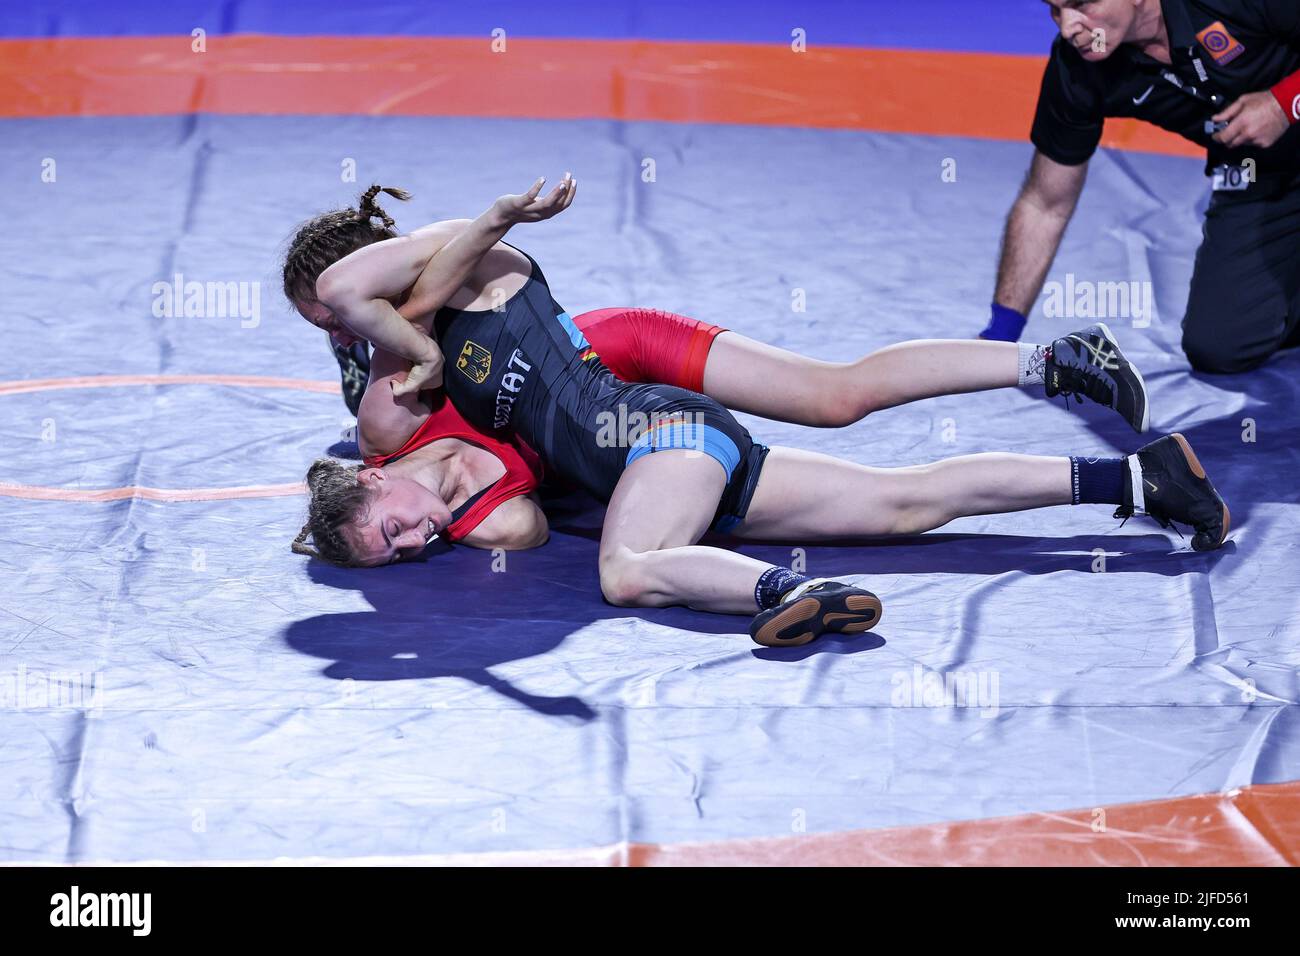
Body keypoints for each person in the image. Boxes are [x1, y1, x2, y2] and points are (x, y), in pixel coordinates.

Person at [284, 184, 1231, 648]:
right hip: (637, 439)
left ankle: (779, 592)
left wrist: (495, 222)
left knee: (820, 408)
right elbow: (517, 518)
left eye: (328, 321)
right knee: (899, 503)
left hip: (629, 377)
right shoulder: (418, 389)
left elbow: (400, 288)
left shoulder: (409, 361)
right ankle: (1142, 479)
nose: (420, 539)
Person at [980, 0, 1300, 374]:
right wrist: (1001, 338)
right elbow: (1044, 204)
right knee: (1218, 345)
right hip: (1262, 175)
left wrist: (1285, 103)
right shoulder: (1077, 68)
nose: (1068, 27)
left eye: (1080, 5)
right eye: (1054, 10)